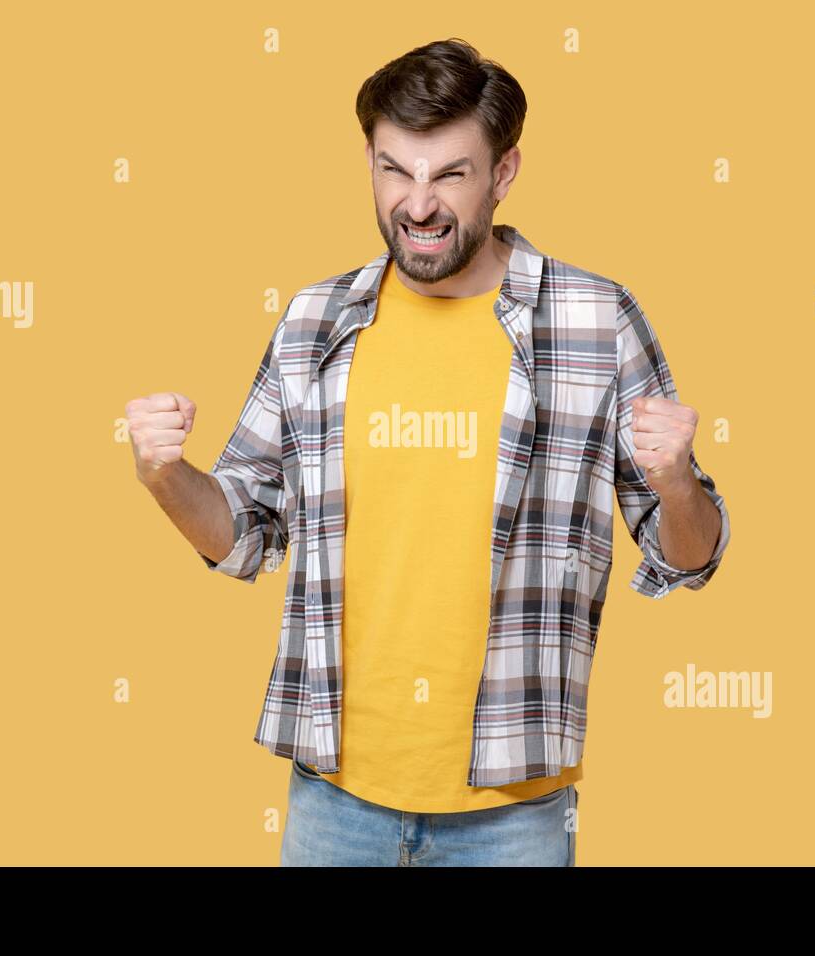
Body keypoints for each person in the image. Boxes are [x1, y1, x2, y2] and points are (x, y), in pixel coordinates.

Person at [126, 38, 730, 866]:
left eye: (449, 174)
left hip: (512, 813)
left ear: (504, 171)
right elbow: (242, 535)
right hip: (333, 798)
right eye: (393, 171)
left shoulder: (596, 320)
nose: (417, 204)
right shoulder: (314, 323)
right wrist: (164, 477)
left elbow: (688, 554)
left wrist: (676, 482)